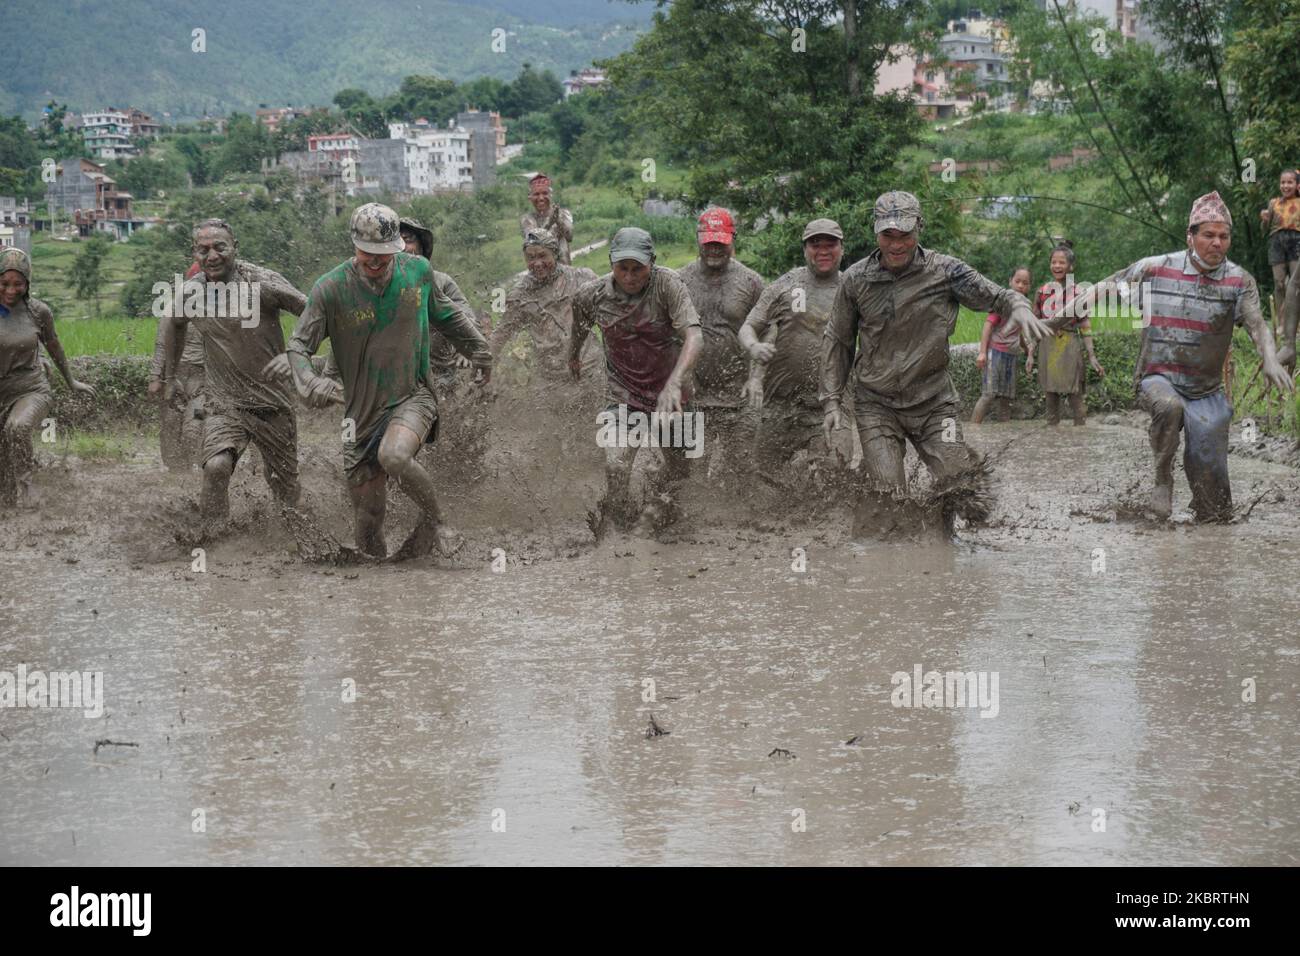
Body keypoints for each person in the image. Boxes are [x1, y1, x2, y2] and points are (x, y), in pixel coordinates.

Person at [1051, 191, 1293, 521]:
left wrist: (1270, 358)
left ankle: (1206, 512)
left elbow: (1257, 325)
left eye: (1224, 236)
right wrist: (1048, 323)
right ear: (1190, 237)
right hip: (1157, 378)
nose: (1217, 243)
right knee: (1169, 406)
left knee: (1216, 510)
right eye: (1209, 235)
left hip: (1206, 391)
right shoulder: (1155, 269)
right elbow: (1097, 291)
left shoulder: (1239, 281)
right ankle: (1162, 481)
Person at [287, 203, 492, 558]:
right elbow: (298, 346)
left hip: (411, 396)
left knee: (394, 456)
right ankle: (382, 592)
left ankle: (440, 523)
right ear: (354, 245)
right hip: (359, 416)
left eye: (385, 253)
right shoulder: (330, 289)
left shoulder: (418, 272)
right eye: (368, 253)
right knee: (368, 521)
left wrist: (479, 350)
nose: (377, 262)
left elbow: (448, 315)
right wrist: (307, 380)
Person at [820, 191, 1049, 506]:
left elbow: (998, 296)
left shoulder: (945, 271)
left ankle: (946, 544)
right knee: (889, 499)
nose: (897, 244)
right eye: (888, 235)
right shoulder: (856, 280)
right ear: (876, 231)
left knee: (962, 490)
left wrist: (1019, 307)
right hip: (876, 404)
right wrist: (832, 402)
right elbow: (838, 340)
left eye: (906, 234)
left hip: (934, 404)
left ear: (919, 229)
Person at [162, 219, 307, 528]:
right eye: (203, 250)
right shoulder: (191, 293)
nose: (211, 255)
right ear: (195, 253)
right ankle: (214, 536)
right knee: (215, 466)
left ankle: (292, 533)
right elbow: (173, 326)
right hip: (224, 403)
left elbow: (311, 312)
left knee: (283, 483)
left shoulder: (263, 283)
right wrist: (168, 377)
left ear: (234, 248)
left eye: (219, 247)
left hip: (272, 401)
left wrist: (297, 354)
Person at [569, 227, 703, 533]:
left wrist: (675, 382)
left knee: (679, 474)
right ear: (611, 263)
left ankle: (662, 521)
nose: (629, 277)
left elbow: (695, 336)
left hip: (674, 396)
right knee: (615, 465)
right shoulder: (592, 295)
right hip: (623, 395)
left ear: (652, 263)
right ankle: (617, 533)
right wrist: (572, 355)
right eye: (622, 269)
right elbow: (579, 324)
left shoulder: (668, 285)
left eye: (638, 269)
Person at [738, 217, 853, 475]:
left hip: (830, 405)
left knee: (835, 469)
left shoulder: (853, 288)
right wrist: (754, 347)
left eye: (830, 244)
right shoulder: (785, 285)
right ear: (805, 249)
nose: (823, 250)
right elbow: (748, 327)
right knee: (762, 476)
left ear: (842, 248)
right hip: (781, 405)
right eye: (815, 244)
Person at [0, 248, 96, 505]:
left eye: (17, 284)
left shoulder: (38, 312)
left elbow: (55, 348)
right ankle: (8, 490)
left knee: (17, 428)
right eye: (4, 284)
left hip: (30, 389)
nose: (10, 290)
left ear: (27, 283)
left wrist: (71, 381)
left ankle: (27, 487)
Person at [675, 207, 765, 474]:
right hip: (694, 394)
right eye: (709, 242)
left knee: (741, 466)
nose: (714, 249)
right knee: (692, 469)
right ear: (699, 239)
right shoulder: (679, 281)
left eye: (720, 243)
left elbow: (769, 329)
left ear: (732, 239)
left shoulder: (751, 282)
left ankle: (738, 515)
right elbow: (664, 333)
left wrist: (757, 377)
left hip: (738, 394)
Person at [491, 227, 599, 382]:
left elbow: (610, 316)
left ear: (554, 253)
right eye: (530, 258)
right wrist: (484, 362)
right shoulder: (520, 295)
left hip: (590, 367)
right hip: (551, 379)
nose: (537, 263)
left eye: (543, 256)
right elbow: (501, 334)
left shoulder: (581, 278)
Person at [1025, 243, 1104, 425]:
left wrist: (1092, 356)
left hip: (1069, 343)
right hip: (1047, 344)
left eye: (1062, 262)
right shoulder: (1042, 292)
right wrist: (1030, 353)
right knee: (1050, 392)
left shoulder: (1078, 293)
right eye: (1054, 262)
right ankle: (1053, 430)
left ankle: (1079, 430)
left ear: (1071, 266)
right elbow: (1035, 325)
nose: (1057, 266)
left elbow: (1084, 324)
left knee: (1074, 391)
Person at [149, 262, 205, 469]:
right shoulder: (173, 310)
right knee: (171, 423)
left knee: (196, 424)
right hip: (174, 378)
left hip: (203, 381)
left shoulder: (218, 312)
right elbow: (161, 345)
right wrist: (155, 377)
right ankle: (176, 470)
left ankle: (197, 468)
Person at [972, 266, 1032, 424]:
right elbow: (988, 326)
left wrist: (1026, 350)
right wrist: (982, 352)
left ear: (1029, 286)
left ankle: (1003, 430)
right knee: (989, 395)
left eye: (1024, 283)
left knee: (1006, 396)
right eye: (1017, 281)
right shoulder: (1002, 302)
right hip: (995, 352)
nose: (1020, 286)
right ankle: (973, 428)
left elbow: (1017, 332)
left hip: (1010, 355)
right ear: (1010, 281)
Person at [1258, 168, 1300, 330]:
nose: (1286, 185)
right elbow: (1264, 229)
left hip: (1296, 241)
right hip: (1276, 242)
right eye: (1283, 182)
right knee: (1279, 283)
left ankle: (1295, 323)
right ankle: (1281, 322)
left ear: (1297, 185)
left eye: (1290, 182)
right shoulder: (1273, 203)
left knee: (1295, 285)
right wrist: (1264, 220)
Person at [520, 174, 574, 265]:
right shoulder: (527, 219)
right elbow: (533, 242)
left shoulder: (563, 214)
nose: (541, 198)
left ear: (550, 195)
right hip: (540, 269)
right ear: (530, 197)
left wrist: (558, 221)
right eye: (536, 194)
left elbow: (570, 236)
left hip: (563, 268)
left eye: (545, 193)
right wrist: (549, 223)